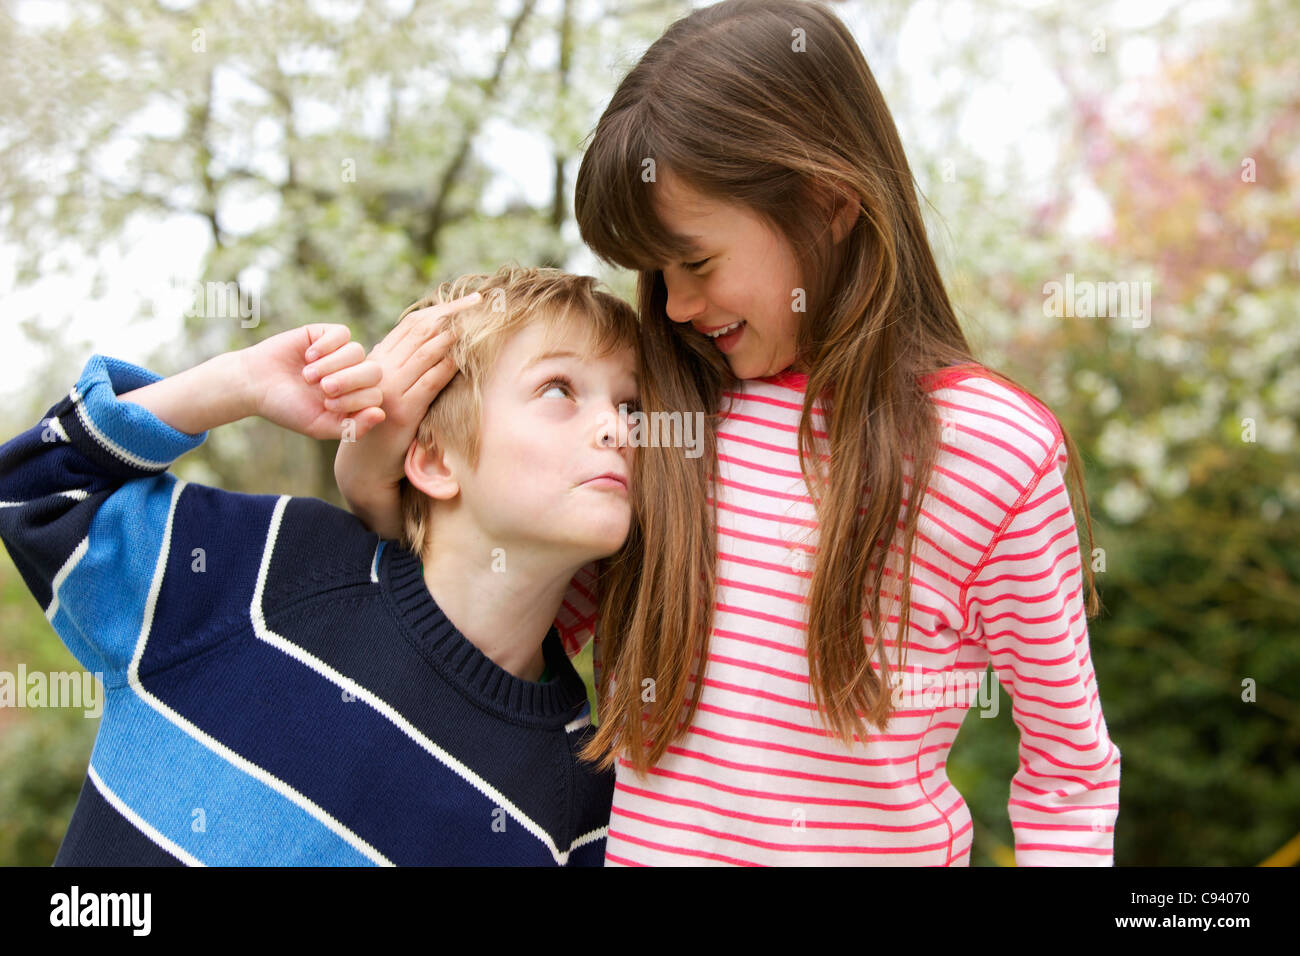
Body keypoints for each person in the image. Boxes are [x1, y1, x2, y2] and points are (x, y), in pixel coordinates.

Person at [339, 0, 1121, 867]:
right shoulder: (666, 423)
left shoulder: (993, 452)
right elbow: (500, 625)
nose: (673, 306)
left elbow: (1069, 768)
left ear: (829, 204)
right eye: (658, 273)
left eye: (698, 262)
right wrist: (377, 484)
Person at [0, 264, 635, 866]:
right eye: (560, 389)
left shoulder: (582, 806)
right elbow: (37, 488)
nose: (617, 428)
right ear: (436, 460)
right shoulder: (267, 574)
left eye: (631, 407)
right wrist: (240, 382)